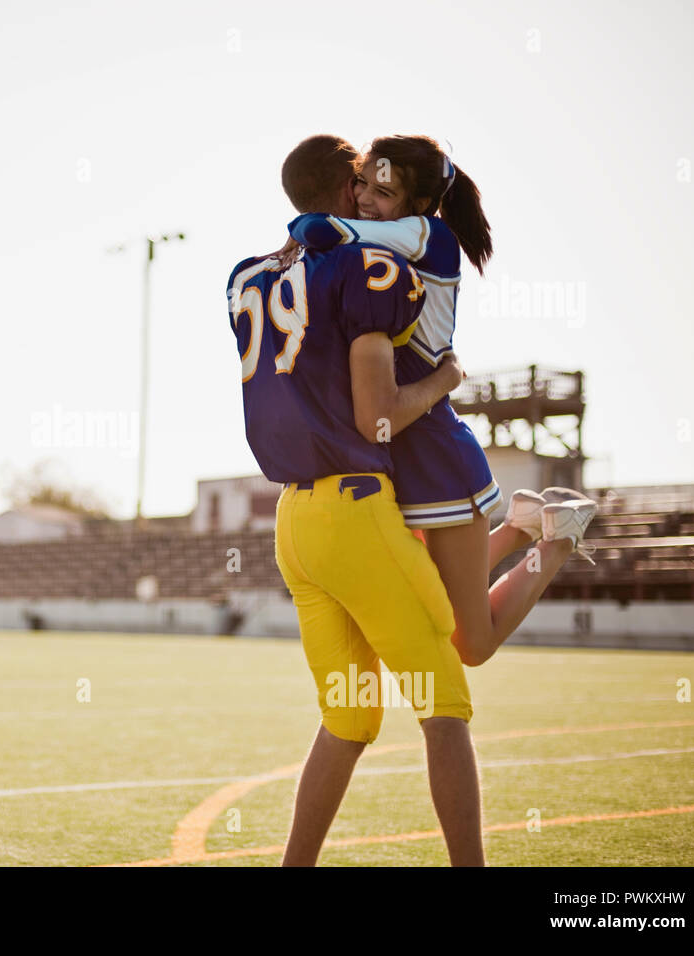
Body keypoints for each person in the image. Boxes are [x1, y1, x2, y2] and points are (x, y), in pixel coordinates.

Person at [229, 134, 481, 865]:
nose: (370, 191)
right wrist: (442, 383)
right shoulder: (363, 269)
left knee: (347, 716)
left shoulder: (246, 276)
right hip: (354, 508)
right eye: (364, 182)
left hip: (294, 524)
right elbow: (379, 416)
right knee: (445, 709)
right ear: (349, 189)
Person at [270, 134, 596, 666]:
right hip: (392, 455)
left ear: (417, 204)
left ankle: (557, 538)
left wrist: (299, 234)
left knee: (473, 644)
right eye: (361, 182)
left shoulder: (428, 235)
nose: (367, 197)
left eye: (383, 189)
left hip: (437, 456)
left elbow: (317, 226)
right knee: (432, 600)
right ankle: (517, 526)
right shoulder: (379, 243)